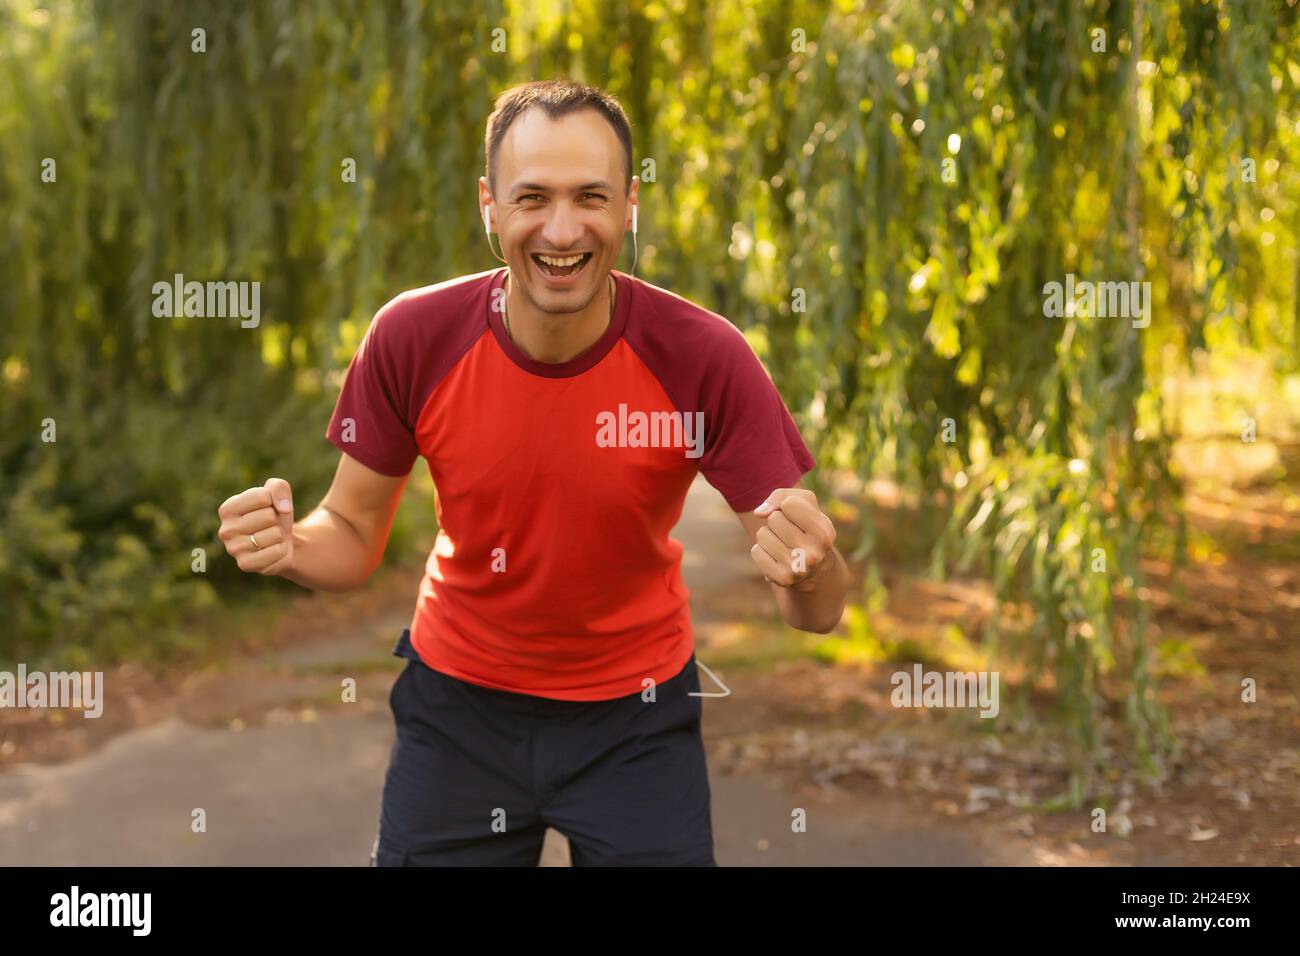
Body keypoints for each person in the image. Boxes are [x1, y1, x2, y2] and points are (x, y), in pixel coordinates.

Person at [216, 79, 850, 866]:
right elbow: (347, 534)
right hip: (457, 716)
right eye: (531, 197)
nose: (562, 228)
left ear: (630, 205)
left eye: (591, 195)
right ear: (489, 205)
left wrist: (813, 565)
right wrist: (289, 544)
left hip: (638, 724)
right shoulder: (412, 336)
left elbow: (813, 610)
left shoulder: (704, 356)